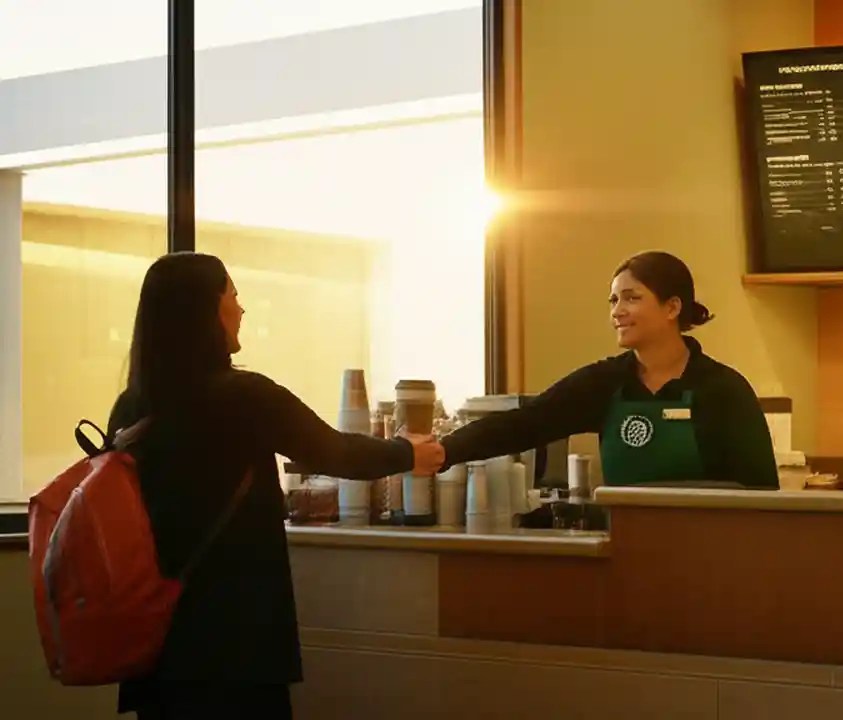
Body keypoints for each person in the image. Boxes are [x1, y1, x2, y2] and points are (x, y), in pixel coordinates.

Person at [106, 252, 443, 719]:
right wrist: (410, 453)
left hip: (158, 640)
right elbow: (334, 451)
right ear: (207, 309)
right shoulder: (243, 396)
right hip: (236, 639)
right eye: (233, 295)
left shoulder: (130, 408)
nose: (241, 309)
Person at [438, 250, 779, 489]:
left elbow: (762, 493)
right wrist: (445, 450)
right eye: (614, 301)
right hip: (626, 555)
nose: (617, 311)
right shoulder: (605, 383)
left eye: (631, 298)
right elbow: (526, 423)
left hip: (711, 560)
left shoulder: (724, 389)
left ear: (672, 306)